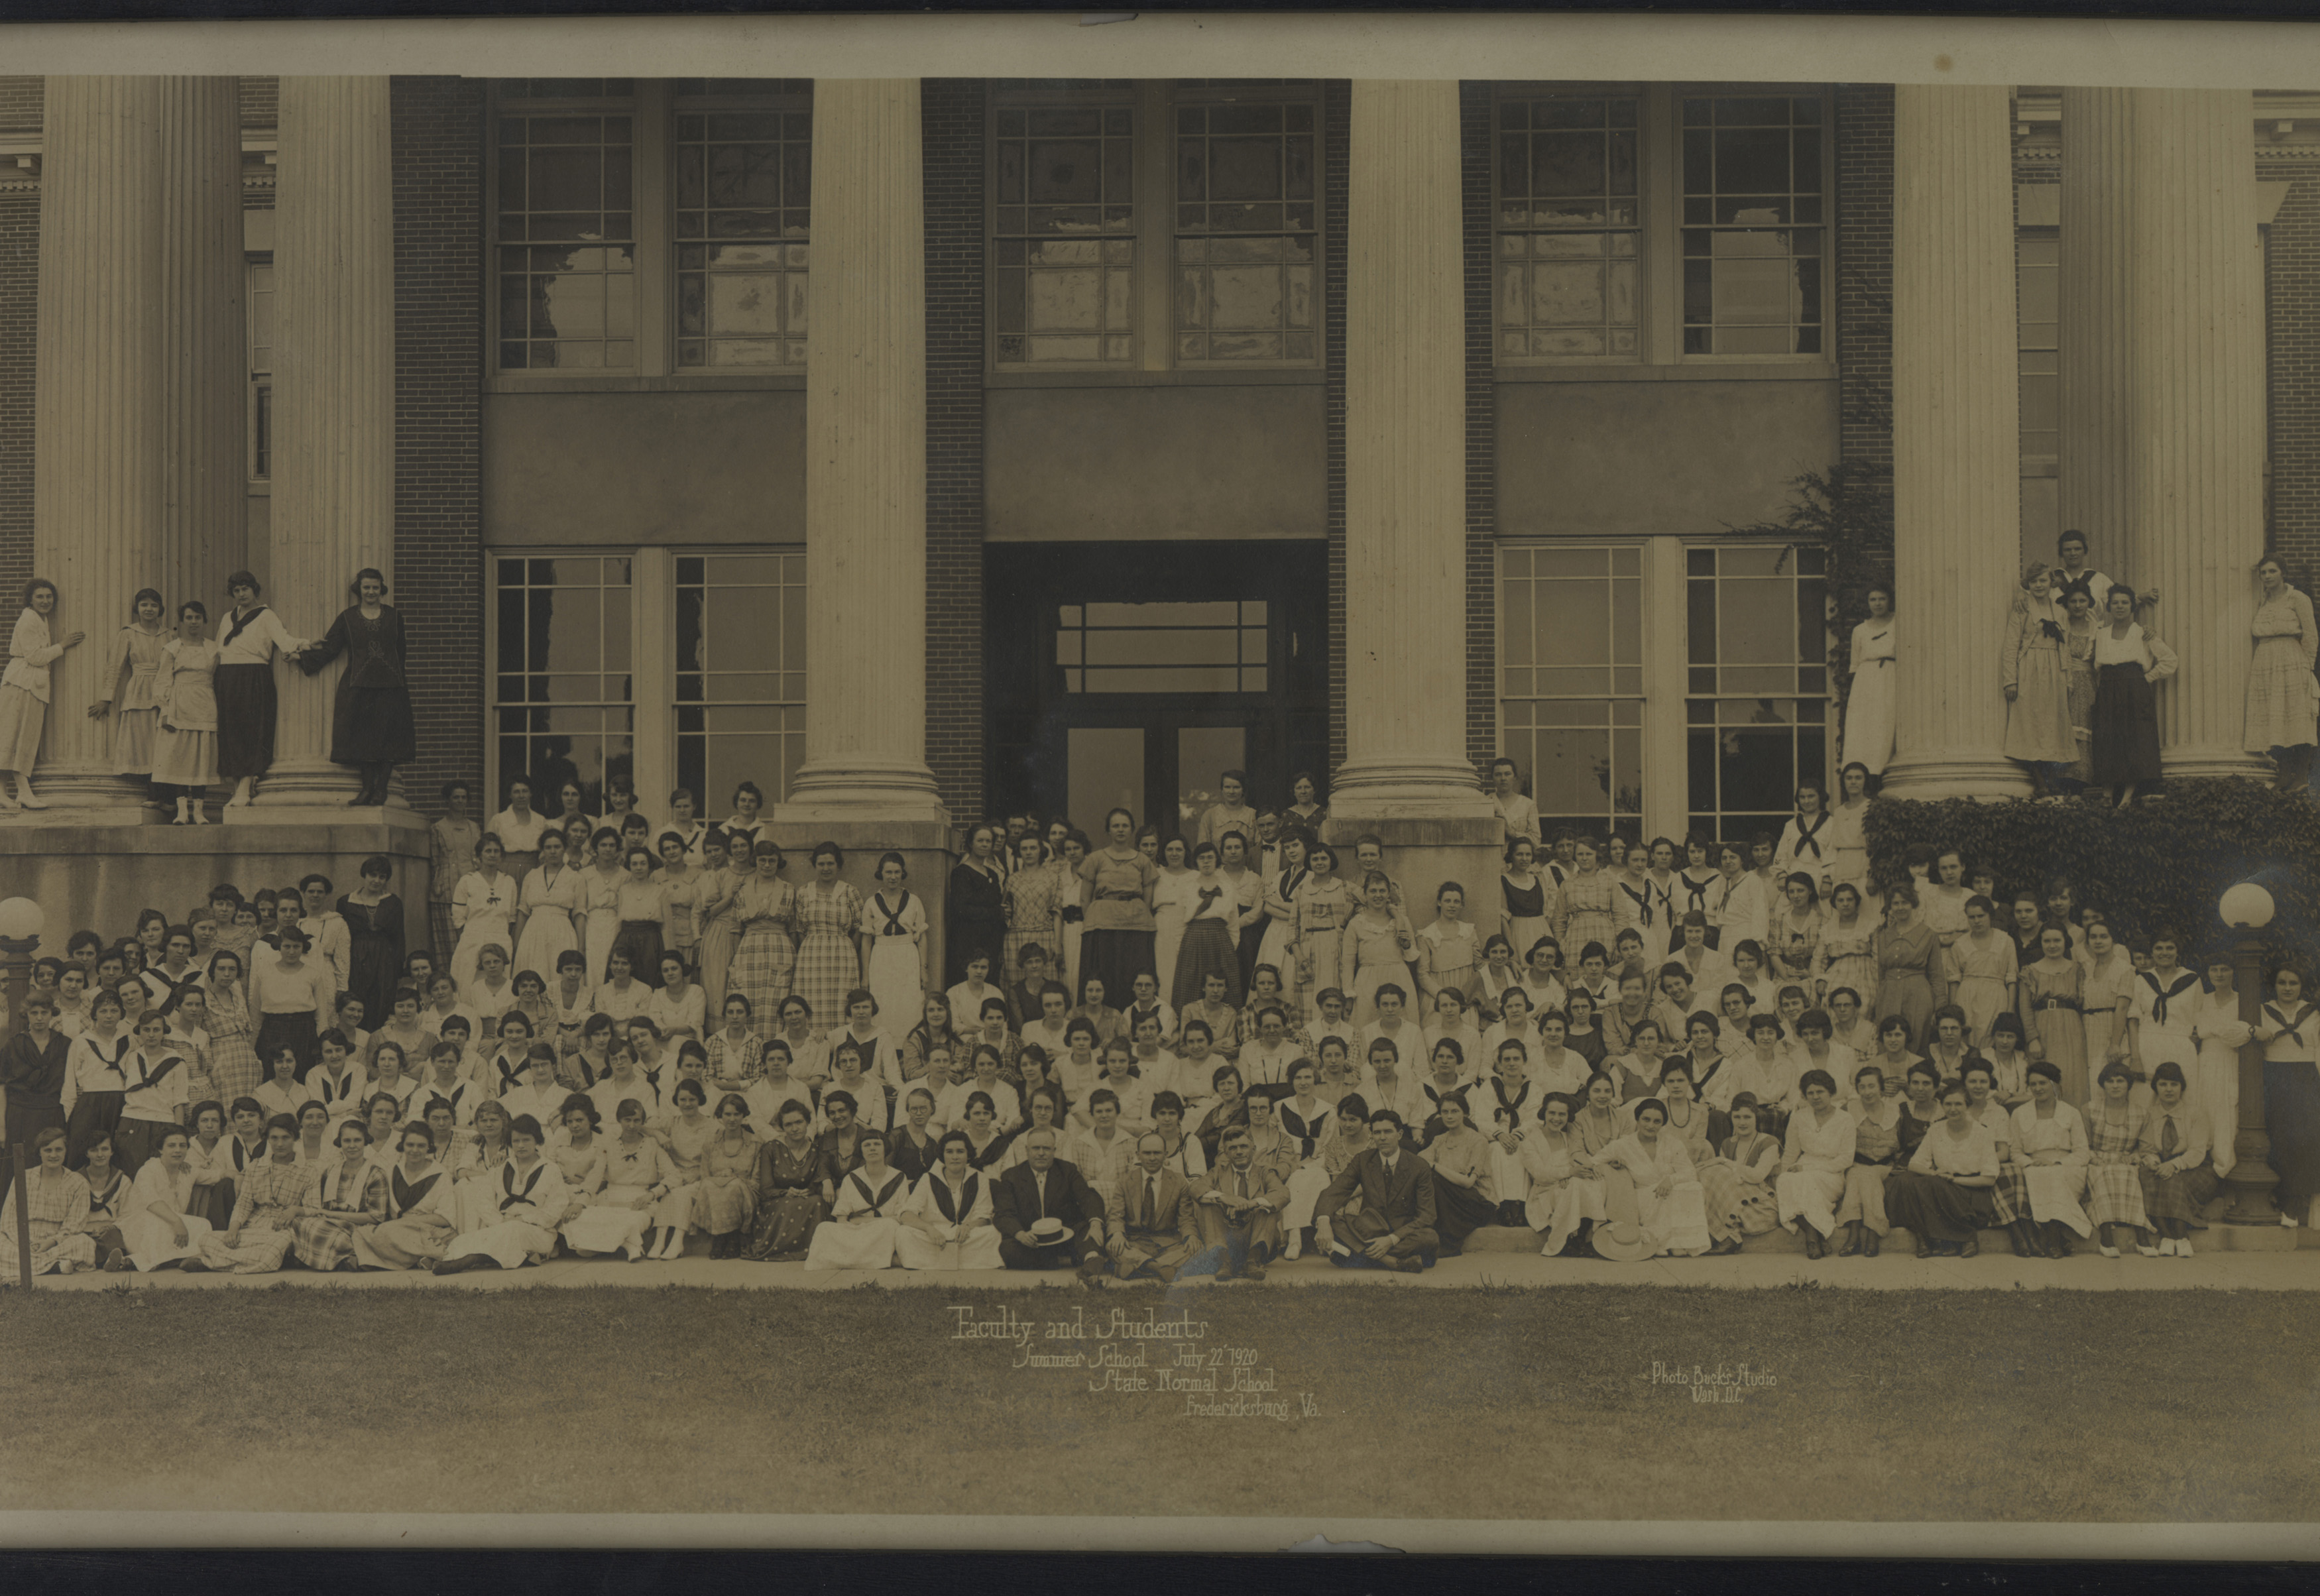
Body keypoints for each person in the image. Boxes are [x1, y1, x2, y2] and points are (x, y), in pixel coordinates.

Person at [292, 567, 414, 807]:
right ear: (359, 589)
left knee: (389, 738)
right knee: (362, 738)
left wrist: (397, 681)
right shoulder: (348, 617)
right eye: (367, 587)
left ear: (382, 590)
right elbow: (331, 648)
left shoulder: (394, 617)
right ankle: (367, 789)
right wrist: (301, 656)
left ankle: (382, 789)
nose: (371, 592)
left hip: (391, 686)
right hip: (359, 685)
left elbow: (402, 654)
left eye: (375, 588)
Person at [212, 572, 311, 809]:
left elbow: (284, 641)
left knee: (251, 731)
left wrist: (306, 644)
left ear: (255, 590)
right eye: (236, 591)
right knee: (230, 732)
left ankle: (245, 787)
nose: (241, 595)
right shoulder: (228, 617)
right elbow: (218, 650)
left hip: (253, 675)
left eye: (245, 589)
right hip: (227, 676)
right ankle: (238, 788)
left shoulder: (267, 616)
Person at [433, 1114, 571, 1273]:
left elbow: (556, 1209)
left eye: (526, 1140)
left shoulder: (550, 1169)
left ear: (537, 1140)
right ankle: (460, 1259)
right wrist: (500, 1222)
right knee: (467, 1237)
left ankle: (470, 1260)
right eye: (516, 1141)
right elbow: (484, 1202)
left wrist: (522, 1219)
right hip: (502, 1226)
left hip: (539, 1232)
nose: (521, 1146)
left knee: (513, 1230)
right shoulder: (500, 1168)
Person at [1885, 1080, 2001, 1257]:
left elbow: (1989, 1178)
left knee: (1929, 1185)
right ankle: (1936, 1239)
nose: (1953, 1109)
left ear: (1968, 1106)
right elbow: (1915, 1164)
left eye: (1958, 1104)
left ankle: (1964, 1237)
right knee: (1905, 1180)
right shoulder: (1936, 1129)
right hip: (1942, 1190)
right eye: (1948, 1104)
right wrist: (1936, 1173)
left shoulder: (1982, 1133)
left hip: (1972, 1196)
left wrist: (1954, 1180)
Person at [0, 577, 87, 809]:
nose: (45, 601)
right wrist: (63, 644)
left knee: (16, 736)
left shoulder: (40, 619)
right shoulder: (28, 620)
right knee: (18, 736)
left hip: (28, 683)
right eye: (39, 596)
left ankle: (5, 793)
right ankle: (23, 792)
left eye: (49, 597)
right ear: (30, 599)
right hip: (22, 682)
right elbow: (36, 657)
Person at [1314, 1110, 1437, 1273]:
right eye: (1377, 1133)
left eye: (1388, 1132)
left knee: (1430, 1237)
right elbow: (1334, 1191)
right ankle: (1391, 1262)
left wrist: (1391, 1240)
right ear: (1371, 1135)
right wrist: (1322, 1222)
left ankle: (1356, 1255)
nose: (1383, 1137)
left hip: (1402, 1235)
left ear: (1399, 1134)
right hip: (1368, 1229)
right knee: (1332, 1221)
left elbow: (1427, 1216)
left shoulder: (1418, 1165)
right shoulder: (1363, 1160)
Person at [1589, 1098, 1710, 1261]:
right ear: (1637, 1119)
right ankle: (1660, 1241)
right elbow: (1593, 1163)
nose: (1651, 1126)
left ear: (1663, 1124)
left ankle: (1679, 1243)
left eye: (1657, 1121)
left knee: (1693, 1187)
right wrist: (1610, 1166)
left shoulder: (1672, 1143)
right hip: (1642, 1200)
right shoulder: (1622, 1145)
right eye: (1646, 1119)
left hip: (1667, 1192)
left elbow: (1690, 1172)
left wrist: (1670, 1180)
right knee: (1675, 1192)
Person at [2090, 585, 2179, 807]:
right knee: (2107, 738)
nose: (2120, 607)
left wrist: (2145, 679)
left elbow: (2170, 661)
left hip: (2134, 689)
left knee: (2134, 739)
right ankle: (2107, 795)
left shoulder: (2143, 633)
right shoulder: (2100, 633)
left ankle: (2128, 797)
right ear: (2109, 606)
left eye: (2125, 603)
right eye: (2115, 603)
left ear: (2132, 606)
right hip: (2108, 688)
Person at [991, 1125, 1108, 1278]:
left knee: (1086, 1229)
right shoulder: (1011, 1176)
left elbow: (1087, 1196)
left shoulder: (1068, 1170)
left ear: (1055, 1150)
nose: (1041, 1153)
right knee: (1008, 1248)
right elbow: (1004, 1213)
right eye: (1036, 1148)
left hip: (1065, 1235)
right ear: (1027, 1150)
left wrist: (1095, 1224)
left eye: (1046, 1148)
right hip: (1031, 1239)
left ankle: (1092, 1260)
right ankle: (1053, 1261)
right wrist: (1020, 1234)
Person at [2002, 561, 2077, 795]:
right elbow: (2011, 645)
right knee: (2030, 722)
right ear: (2028, 585)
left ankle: (2051, 777)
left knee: (2052, 723)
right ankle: (2039, 780)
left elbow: (2065, 648)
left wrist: (2068, 678)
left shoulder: (2061, 612)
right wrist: (2010, 680)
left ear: (2051, 583)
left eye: (2043, 581)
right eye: (2034, 581)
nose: (2039, 585)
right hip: (2029, 669)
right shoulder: (2023, 609)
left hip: (2054, 669)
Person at [2244, 555, 2319, 791]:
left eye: (2272, 572)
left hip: (2293, 660)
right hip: (2266, 663)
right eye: (2263, 573)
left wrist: (2307, 668)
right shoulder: (2261, 601)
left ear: (2282, 572)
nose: (2267, 577)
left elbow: (2311, 636)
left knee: (2297, 717)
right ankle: (2285, 774)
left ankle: (2301, 777)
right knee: (2275, 719)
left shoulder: (2297, 598)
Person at [2256, 966, 2319, 1229]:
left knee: (2305, 1140)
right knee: (2279, 1141)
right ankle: (2283, 1202)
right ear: (2275, 986)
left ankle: (2297, 1203)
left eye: (2293, 983)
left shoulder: (2313, 1013)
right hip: (2275, 1077)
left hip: (2306, 1079)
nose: (2288, 988)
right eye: (2282, 982)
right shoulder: (2263, 1010)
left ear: (2301, 986)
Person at [150, 599, 221, 823]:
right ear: (181, 622)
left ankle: (199, 812)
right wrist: (165, 711)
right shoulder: (173, 648)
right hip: (179, 705)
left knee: (201, 758)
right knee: (179, 757)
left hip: (205, 704)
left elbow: (219, 679)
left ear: (204, 621)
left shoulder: (214, 648)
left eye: (198, 618)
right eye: (189, 618)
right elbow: (162, 680)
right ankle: (182, 812)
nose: (193, 622)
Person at [2136, 1062, 2217, 1255]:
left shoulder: (2196, 1114)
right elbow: (2146, 1148)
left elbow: (2198, 1151)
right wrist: (2153, 1160)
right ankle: (2169, 1237)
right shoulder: (2149, 1115)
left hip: (2196, 1170)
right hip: (2162, 1166)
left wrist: (2174, 1165)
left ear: (2182, 1087)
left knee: (2169, 1179)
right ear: (2156, 1087)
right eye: (2163, 1084)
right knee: (2147, 1174)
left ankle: (2179, 1235)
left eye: (2174, 1084)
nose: (2169, 1090)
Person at [804, 1129, 911, 1272]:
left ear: (885, 1148)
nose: (872, 1148)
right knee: (823, 1228)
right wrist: (856, 1224)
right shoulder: (851, 1178)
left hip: (883, 1232)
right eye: (867, 1145)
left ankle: (848, 1260)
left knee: (890, 1225)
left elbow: (901, 1218)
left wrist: (858, 1220)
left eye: (877, 1144)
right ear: (861, 1150)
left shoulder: (899, 1177)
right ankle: (879, 1259)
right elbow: (842, 1219)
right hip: (857, 1234)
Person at [1190, 1126, 1287, 1281]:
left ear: (1253, 1149)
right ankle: (1223, 1262)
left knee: (1268, 1207)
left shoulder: (1264, 1172)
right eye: (1233, 1148)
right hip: (1227, 1240)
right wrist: (1224, 1197)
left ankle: (1253, 1262)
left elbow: (1283, 1194)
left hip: (1257, 1240)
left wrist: (1252, 1203)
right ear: (1227, 1153)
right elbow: (1196, 1187)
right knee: (1207, 1203)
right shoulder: (1218, 1171)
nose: (1239, 1152)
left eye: (1244, 1146)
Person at [1102, 1131, 1200, 1284]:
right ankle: (1160, 1269)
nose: (1152, 1158)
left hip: (1168, 1243)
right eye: (1147, 1153)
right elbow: (1116, 1215)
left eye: (1157, 1153)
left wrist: (1191, 1236)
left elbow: (1186, 1217)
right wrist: (1117, 1234)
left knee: (1195, 1249)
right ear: (1138, 1155)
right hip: (1135, 1242)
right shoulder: (1125, 1181)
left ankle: (1136, 1267)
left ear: (1166, 1154)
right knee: (1114, 1246)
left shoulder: (1178, 1182)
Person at [896, 1130, 1002, 1270]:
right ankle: (966, 1263)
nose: (955, 1157)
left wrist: (969, 1227)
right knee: (904, 1232)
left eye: (960, 1152)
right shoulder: (928, 1178)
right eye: (949, 1152)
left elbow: (984, 1216)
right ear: (942, 1155)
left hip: (965, 1236)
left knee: (993, 1233)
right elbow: (907, 1214)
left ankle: (930, 1262)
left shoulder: (980, 1178)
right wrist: (929, 1229)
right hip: (934, 1237)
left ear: (968, 1154)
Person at [1776, 1069, 1854, 1259]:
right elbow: (1791, 1152)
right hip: (1802, 1168)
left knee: (1804, 1181)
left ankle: (1812, 1237)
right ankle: (1815, 1235)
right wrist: (1783, 1174)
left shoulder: (1845, 1119)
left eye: (1820, 1092)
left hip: (1831, 1173)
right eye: (1810, 1093)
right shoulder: (1799, 1117)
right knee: (1786, 1181)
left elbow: (1845, 1159)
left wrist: (1808, 1168)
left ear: (1831, 1092)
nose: (1815, 1097)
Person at [2083, 1060, 2156, 1258]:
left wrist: (2135, 1157)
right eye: (2110, 1081)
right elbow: (2082, 1145)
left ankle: (2142, 1236)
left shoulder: (2141, 1113)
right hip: (2096, 1160)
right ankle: (2106, 1236)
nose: (2115, 1086)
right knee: (2105, 1174)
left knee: (2128, 1174)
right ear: (2103, 1085)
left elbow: (2147, 1148)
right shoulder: (2089, 1110)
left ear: (2129, 1085)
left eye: (2120, 1081)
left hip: (2125, 1161)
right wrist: (2095, 1159)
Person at [0, 1127, 95, 1275]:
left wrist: (51, 1242)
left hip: (56, 1241)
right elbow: (8, 1220)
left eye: (58, 1150)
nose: (53, 1155)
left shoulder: (78, 1183)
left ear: (65, 1151)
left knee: (84, 1244)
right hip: (22, 1238)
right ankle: (55, 1266)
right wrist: (24, 1244)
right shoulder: (23, 1177)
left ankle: (29, 1266)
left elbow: (75, 1224)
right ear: (40, 1152)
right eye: (48, 1150)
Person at [743, 1100, 827, 1261]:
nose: (795, 1128)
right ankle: (783, 1249)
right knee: (789, 1204)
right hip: (777, 1201)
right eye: (788, 1125)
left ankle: (814, 1249)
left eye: (799, 1122)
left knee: (818, 1202)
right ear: (782, 1127)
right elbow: (766, 1190)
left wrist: (809, 1190)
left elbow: (817, 1183)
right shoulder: (772, 1148)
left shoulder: (816, 1150)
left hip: (806, 1198)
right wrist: (786, 1192)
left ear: (808, 1122)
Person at [1417, 1092, 1498, 1255]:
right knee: (1428, 1177)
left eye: (1455, 1111)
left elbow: (1468, 1183)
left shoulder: (1478, 1141)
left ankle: (1449, 1243)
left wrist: (1434, 1166)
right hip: (1452, 1200)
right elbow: (1420, 1160)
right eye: (1445, 1112)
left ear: (1465, 1113)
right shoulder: (1440, 1140)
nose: (1449, 1116)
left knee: (1435, 1178)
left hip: (1477, 1202)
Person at [1843, 583, 1895, 779]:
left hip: (1889, 678)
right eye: (1873, 599)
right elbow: (1855, 664)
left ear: (1889, 600)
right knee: (1864, 726)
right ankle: (1865, 774)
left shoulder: (1898, 623)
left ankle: (1882, 770)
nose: (1878, 604)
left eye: (1882, 599)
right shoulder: (1860, 630)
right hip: (1866, 682)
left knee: (1885, 723)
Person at [946, 823, 1008, 988]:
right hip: (969, 940)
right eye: (980, 840)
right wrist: (996, 912)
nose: (985, 845)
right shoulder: (962, 873)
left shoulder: (993, 874)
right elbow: (961, 909)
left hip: (991, 941)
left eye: (988, 841)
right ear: (971, 844)